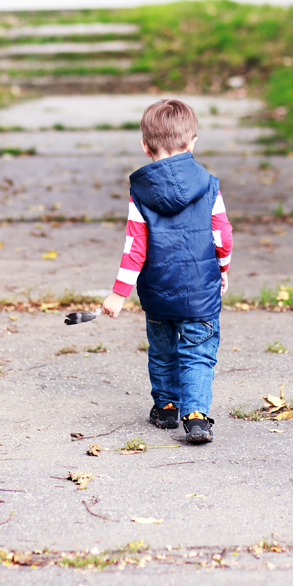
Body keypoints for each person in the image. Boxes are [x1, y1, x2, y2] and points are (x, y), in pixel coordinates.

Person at [100, 99, 233, 444]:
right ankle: (197, 416)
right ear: (192, 143)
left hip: (158, 293)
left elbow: (135, 247)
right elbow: (222, 234)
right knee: (198, 352)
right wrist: (223, 268)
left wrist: (118, 293)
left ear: (145, 146)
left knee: (162, 351)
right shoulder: (209, 185)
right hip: (201, 290)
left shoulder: (141, 192)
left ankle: (167, 407)